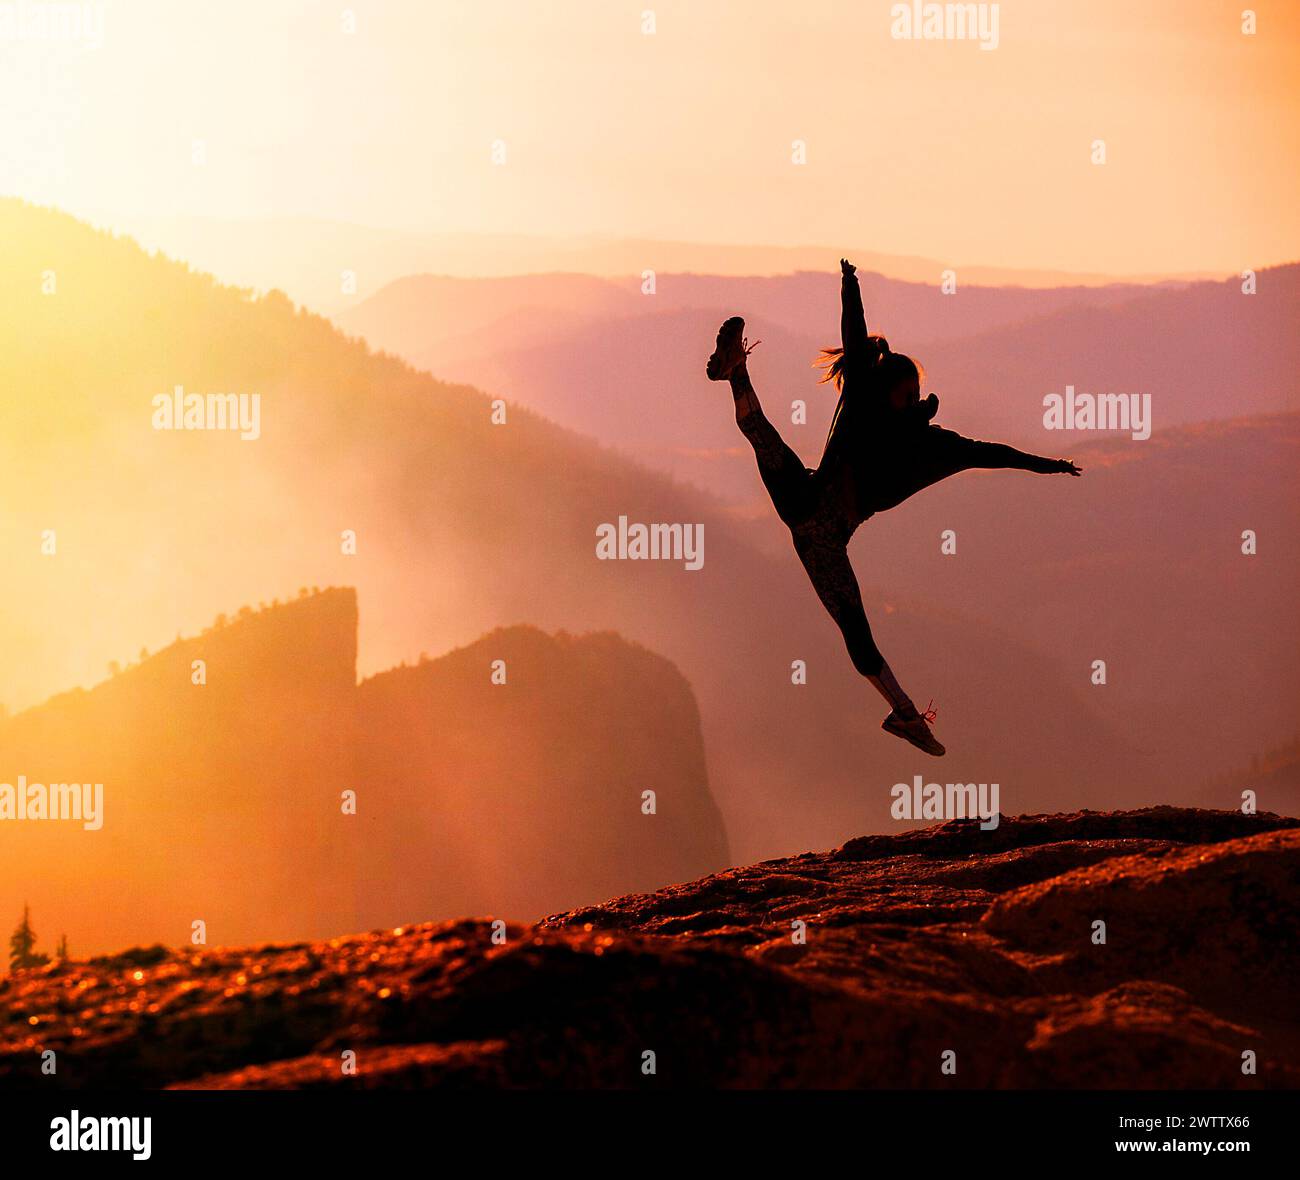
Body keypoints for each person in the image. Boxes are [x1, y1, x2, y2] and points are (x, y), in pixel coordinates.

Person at [705, 259, 1081, 756]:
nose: (916, 400)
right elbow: (857, 340)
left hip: (810, 508)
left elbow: (989, 453)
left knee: (762, 439)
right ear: (891, 392)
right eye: (911, 395)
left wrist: (1048, 465)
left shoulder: (916, 436)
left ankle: (738, 371)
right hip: (818, 525)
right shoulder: (890, 420)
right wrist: (850, 285)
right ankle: (906, 717)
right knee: (857, 635)